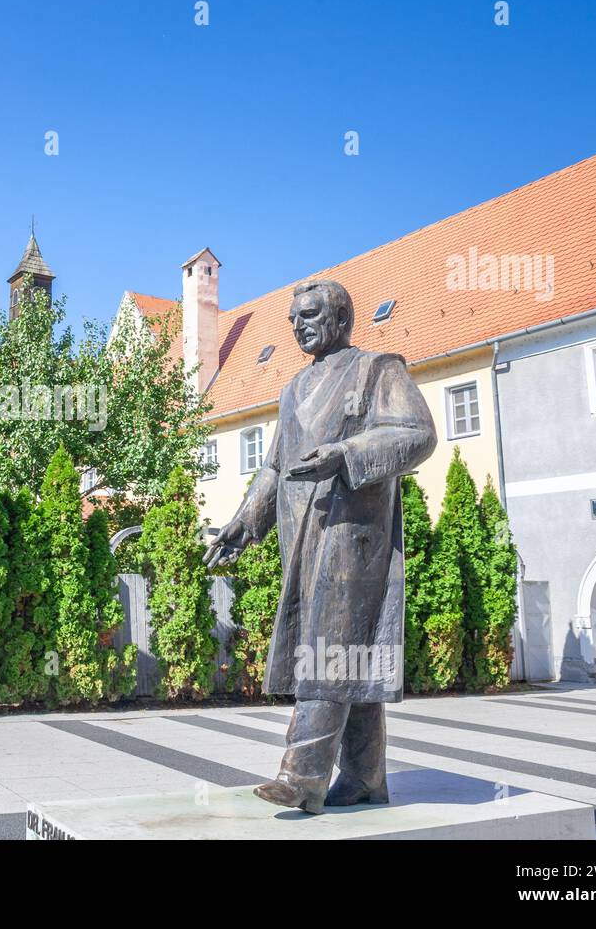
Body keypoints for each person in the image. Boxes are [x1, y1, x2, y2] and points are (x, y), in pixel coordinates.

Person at [204, 279, 436, 814]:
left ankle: (302, 776)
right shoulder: (293, 388)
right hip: (300, 536)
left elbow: (417, 433)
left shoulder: (377, 369)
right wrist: (246, 521)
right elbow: (274, 466)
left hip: (353, 536)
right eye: (292, 319)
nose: (298, 326)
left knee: (329, 646)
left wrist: (347, 454)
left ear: (342, 318)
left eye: (308, 315)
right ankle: (364, 778)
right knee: (349, 652)